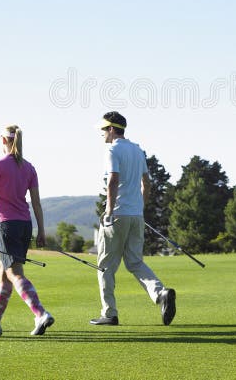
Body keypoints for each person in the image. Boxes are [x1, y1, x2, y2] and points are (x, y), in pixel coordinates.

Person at [91, 111, 176, 326]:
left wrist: (109, 210)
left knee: (105, 266)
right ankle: (160, 293)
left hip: (117, 215)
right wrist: (140, 207)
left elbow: (113, 180)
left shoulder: (112, 150)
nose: (101, 134)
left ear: (111, 129)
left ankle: (109, 313)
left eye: (103, 129)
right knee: (135, 262)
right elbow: (146, 183)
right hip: (136, 215)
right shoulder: (138, 150)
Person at [0, 124, 54, 336]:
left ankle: (41, 313)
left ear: (4, 141)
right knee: (4, 273)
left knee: (14, 273)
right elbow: (36, 203)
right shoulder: (29, 168)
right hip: (25, 225)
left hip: (7, 225)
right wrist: (41, 230)